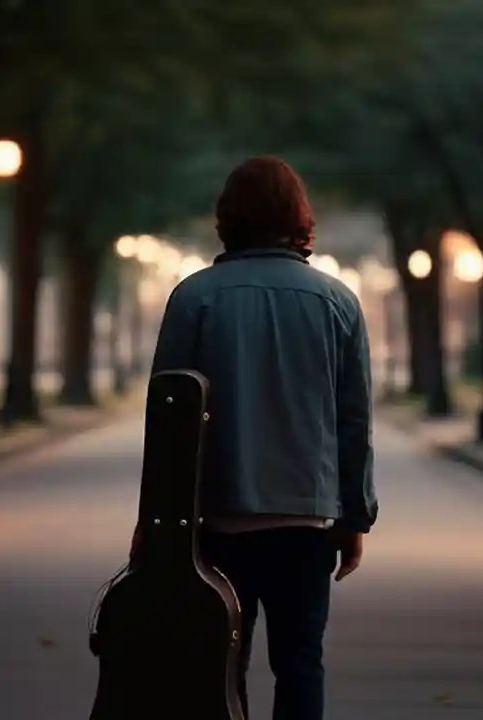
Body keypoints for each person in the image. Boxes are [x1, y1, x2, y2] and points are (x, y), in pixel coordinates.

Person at [133, 156, 377, 720]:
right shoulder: (337, 302)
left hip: (215, 521)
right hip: (307, 520)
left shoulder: (194, 298)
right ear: (299, 217)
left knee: (219, 666)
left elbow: (168, 422)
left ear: (228, 217)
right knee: (299, 664)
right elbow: (353, 421)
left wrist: (153, 525)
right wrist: (354, 517)